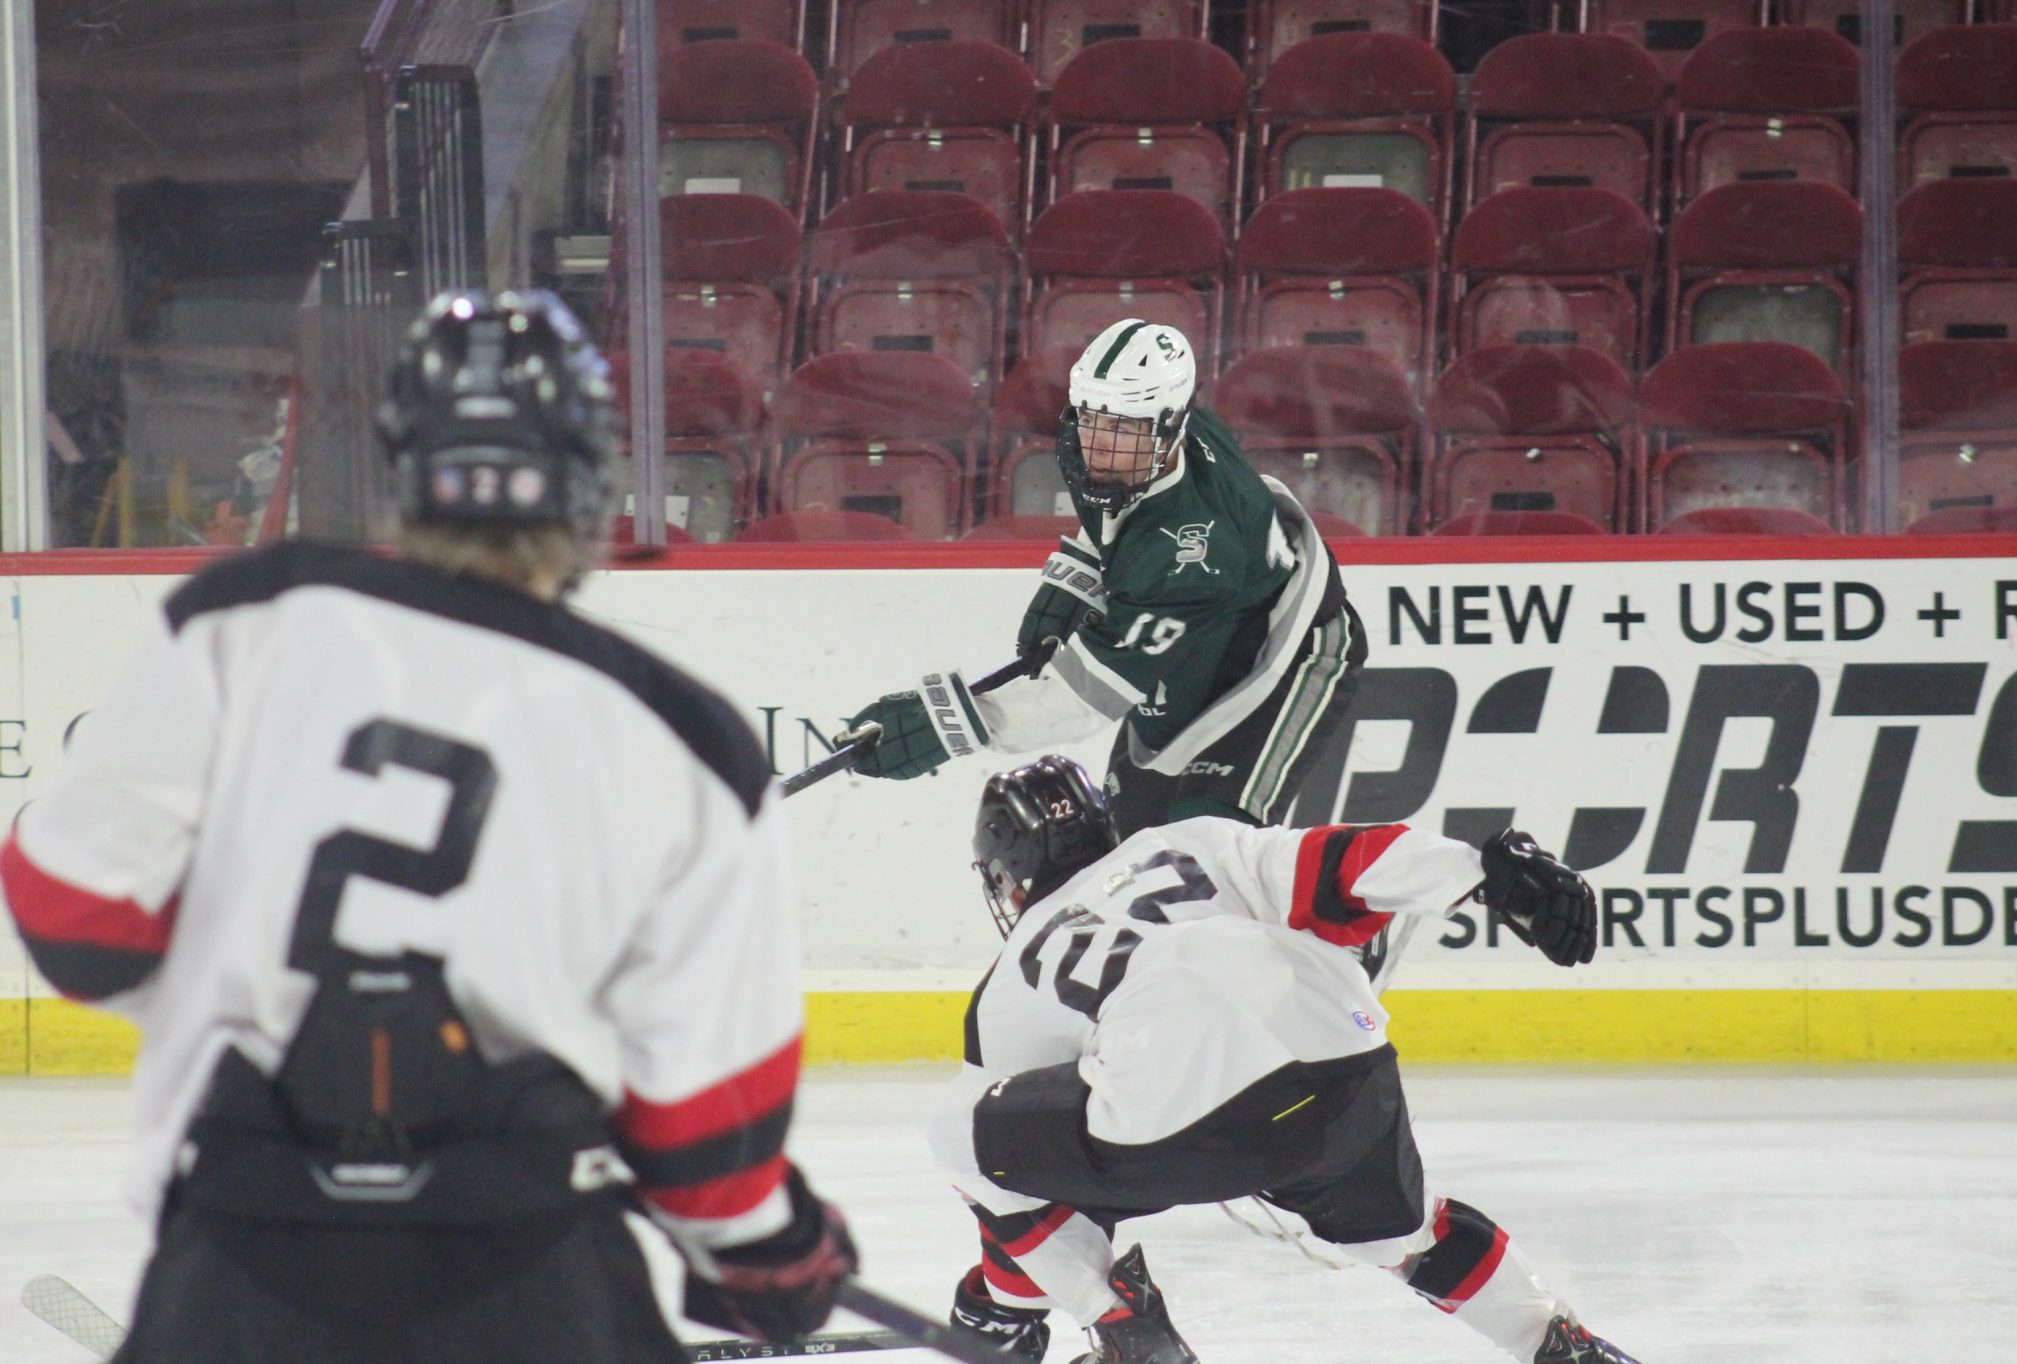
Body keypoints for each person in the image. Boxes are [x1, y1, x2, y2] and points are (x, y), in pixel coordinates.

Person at [0, 290, 855, 1362]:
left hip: (242, 1259)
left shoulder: (240, 619)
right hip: (532, 1277)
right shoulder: (692, 741)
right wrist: (776, 1251)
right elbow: (706, 1142)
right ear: (589, 479)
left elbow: (77, 926)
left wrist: (240, 977)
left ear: (404, 460)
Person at [925, 755, 1641, 1364]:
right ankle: (1561, 1345)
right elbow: (1345, 863)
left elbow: (1026, 1184)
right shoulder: (1192, 840)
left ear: (1008, 871)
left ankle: (1124, 1328)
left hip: (1177, 1118)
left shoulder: (1007, 984)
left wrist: (1001, 1307)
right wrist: (1480, 874)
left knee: (959, 1129)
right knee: (1410, 1238)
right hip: (1340, 1062)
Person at [843, 319, 1365, 836]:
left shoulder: (1187, 559)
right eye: (1093, 417)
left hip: (1285, 656)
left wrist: (949, 724)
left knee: (1208, 845)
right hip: (1209, 633)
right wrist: (1081, 572)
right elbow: (1122, 518)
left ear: (1171, 424)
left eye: (1122, 427)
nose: (1099, 444)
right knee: (1133, 842)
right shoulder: (1151, 447)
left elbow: (1083, 702)